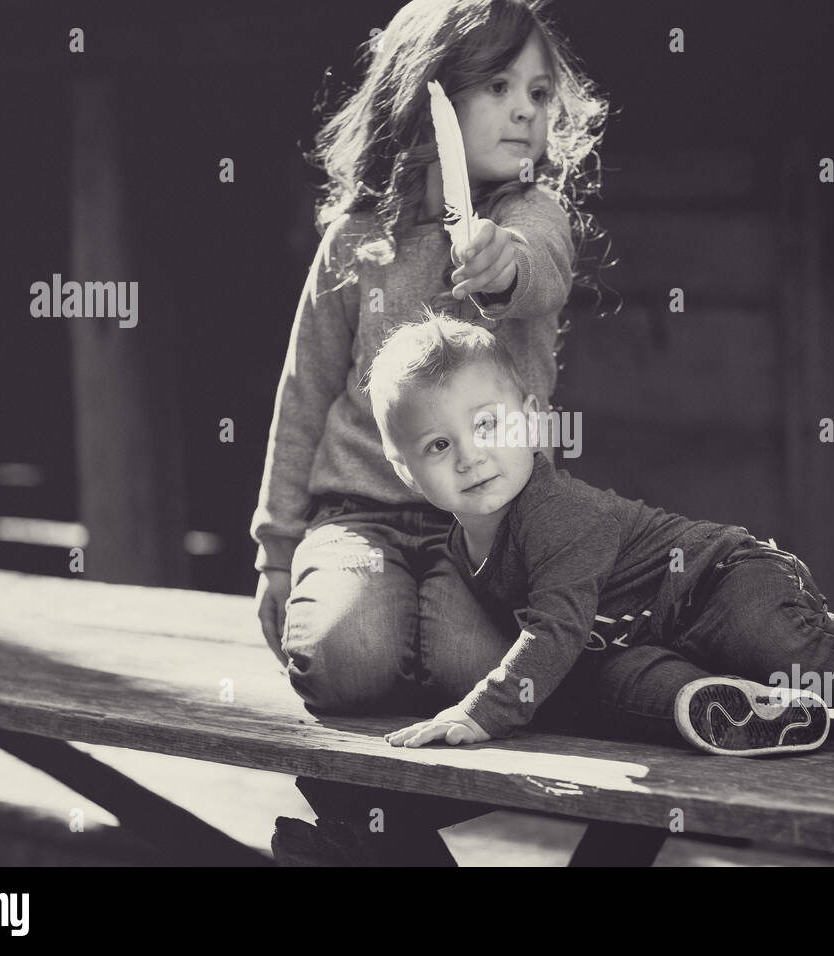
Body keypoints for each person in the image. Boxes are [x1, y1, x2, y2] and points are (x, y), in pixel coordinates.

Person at [363, 313, 834, 755]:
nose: (470, 456)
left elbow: (554, 629)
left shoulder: (556, 513)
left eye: (487, 425)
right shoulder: (460, 545)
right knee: (608, 686)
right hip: (642, 637)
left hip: (719, 582)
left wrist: (483, 710)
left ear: (532, 422)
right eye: (438, 444)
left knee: (767, 637)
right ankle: (738, 709)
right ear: (403, 470)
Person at [251, 0, 609, 720]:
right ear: (428, 95)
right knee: (348, 658)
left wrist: (500, 263)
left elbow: (535, 268)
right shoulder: (354, 239)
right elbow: (304, 393)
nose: (526, 110)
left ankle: (414, 647)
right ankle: (385, 633)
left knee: (475, 668)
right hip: (360, 515)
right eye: (499, 86)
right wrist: (278, 552)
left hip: (491, 522)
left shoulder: (530, 217)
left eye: (540, 92)